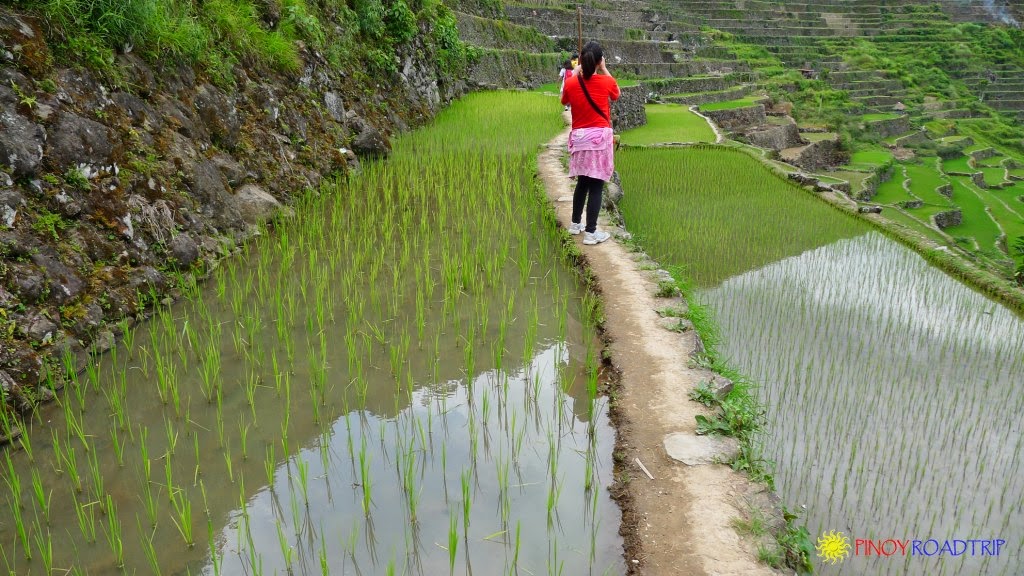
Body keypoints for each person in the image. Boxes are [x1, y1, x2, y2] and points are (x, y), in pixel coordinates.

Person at [560, 41, 620, 245]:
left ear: (581, 61)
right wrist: (604, 69)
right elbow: (616, 94)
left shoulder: (571, 83)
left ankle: (575, 224)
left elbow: (564, 101)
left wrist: (576, 73)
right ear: (599, 61)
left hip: (580, 139)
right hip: (599, 139)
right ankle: (591, 233)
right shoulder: (606, 82)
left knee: (582, 182)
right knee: (596, 185)